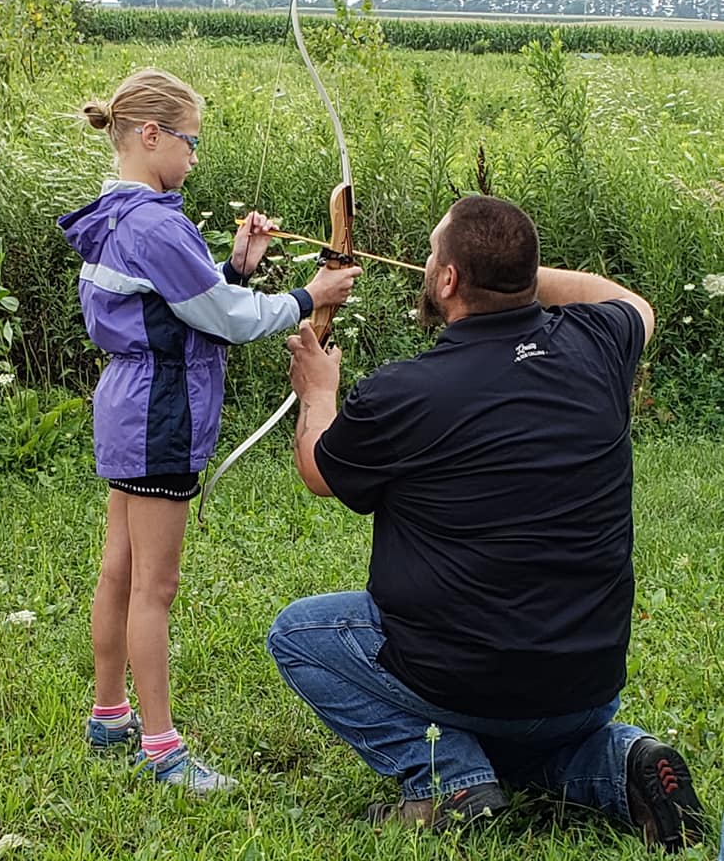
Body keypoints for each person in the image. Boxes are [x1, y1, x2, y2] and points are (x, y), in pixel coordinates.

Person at [268, 195, 705, 851]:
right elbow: (630, 299)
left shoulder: (401, 392)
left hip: (465, 679)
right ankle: (622, 765)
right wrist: (519, 275)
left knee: (297, 634)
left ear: (447, 281)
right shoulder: (599, 344)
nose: (424, 265)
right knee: (527, 742)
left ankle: (449, 781)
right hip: (586, 682)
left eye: (432, 256)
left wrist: (319, 394)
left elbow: (318, 472)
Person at [58, 68, 361, 794]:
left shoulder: (118, 213)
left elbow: (176, 304)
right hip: (161, 410)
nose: (195, 157)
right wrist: (307, 297)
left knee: (120, 570)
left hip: (131, 403)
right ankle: (161, 750)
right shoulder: (158, 222)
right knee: (153, 586)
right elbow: (222, 318)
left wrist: (236, 264)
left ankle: (109, 717)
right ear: (152, 135)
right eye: (189, 142)